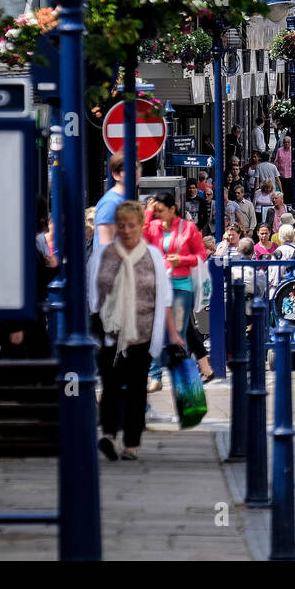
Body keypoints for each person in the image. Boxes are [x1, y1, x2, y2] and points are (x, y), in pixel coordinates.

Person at [95, 200, 181, 461]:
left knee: (135, 389)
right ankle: (109, 434)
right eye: (121, 226)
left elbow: (164, 297)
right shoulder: (105, 254)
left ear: (140, 226)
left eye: (131, 225)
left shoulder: (152, 256)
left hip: (143, 333)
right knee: (110, 386)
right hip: (110, 334)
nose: (127, 230)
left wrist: (173, 333)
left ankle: (131, 443)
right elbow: (92, 294)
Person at [145, 190, 214, 383]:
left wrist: (182, 260)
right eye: (155, 211)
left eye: (160, 210)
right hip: (159, 285)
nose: (157, 214)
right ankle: (158, 376)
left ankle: (183, 380)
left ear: (172, 209)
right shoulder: (153, 227)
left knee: (178, 333)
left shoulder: (188, 228)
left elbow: (201, 255)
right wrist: (148, 213)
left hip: (182, 285)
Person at [93, 151, 128, 247]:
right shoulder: (111, 203)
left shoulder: (122, 200)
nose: (135, 172)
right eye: (128, 169)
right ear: (116, 175)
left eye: (137, 168)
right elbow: (105, 248)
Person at [275, 135, 295, 203]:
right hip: (281, 175)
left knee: (290, 193)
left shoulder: (293, 151)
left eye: (288, 142)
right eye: (285, 142)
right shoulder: (279, 150)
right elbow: (276, 161)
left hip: (290, 175)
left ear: (290, 143)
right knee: (282, 193)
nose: (286, 144)